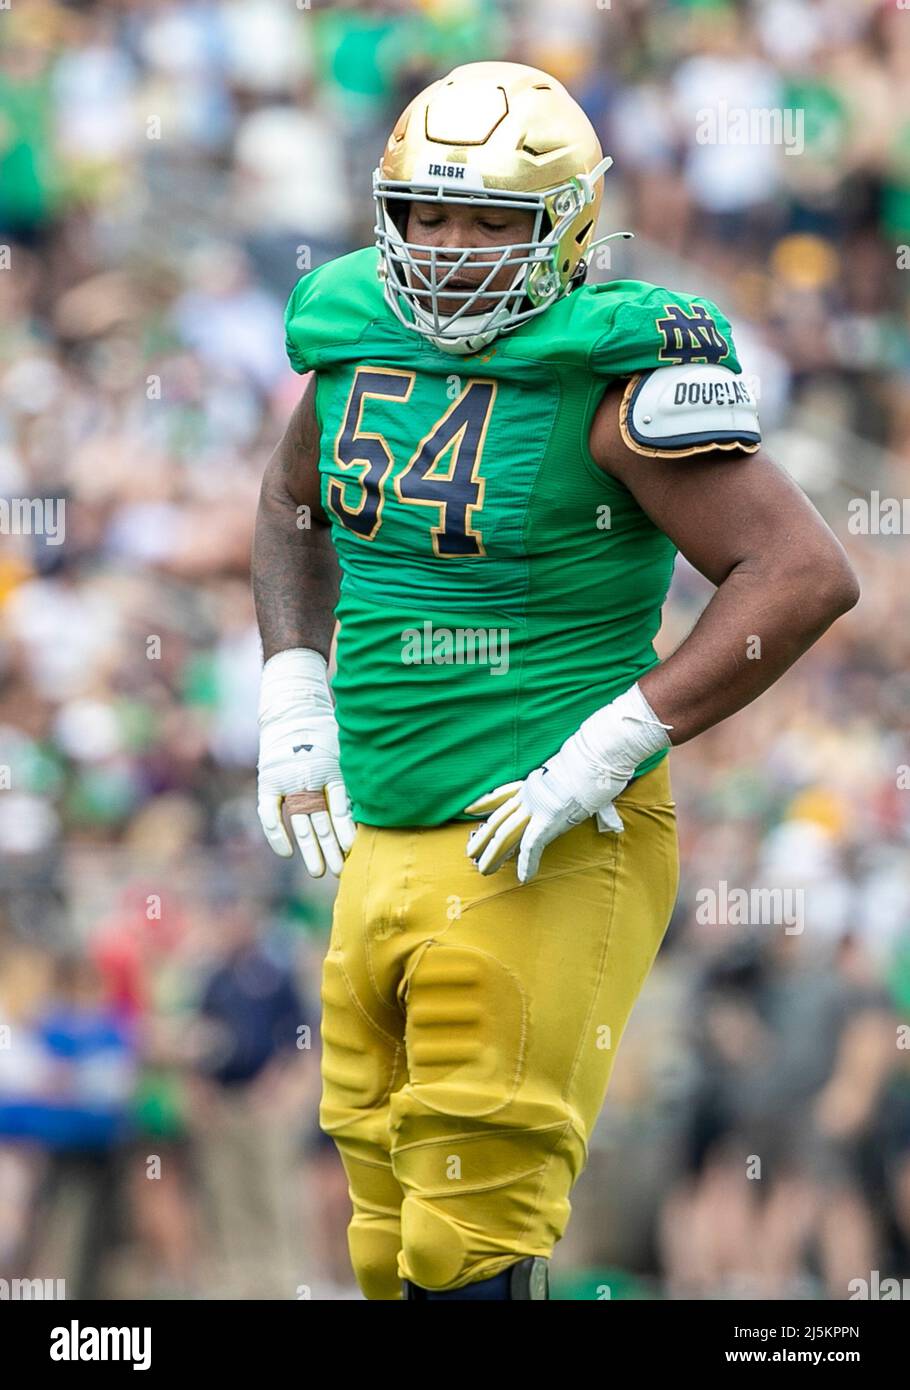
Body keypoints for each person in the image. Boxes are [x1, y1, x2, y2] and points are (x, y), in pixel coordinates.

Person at [251, 61, 859, 1301]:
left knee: (466, 1229)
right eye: (429, 215)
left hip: (548, 822)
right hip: (386, 816)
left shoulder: (615, 367)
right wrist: (292, 687)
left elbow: (799, 573)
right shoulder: (352, 327)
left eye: (491, 222)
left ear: (569, 227)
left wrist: (620, 737)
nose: (451, 250)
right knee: (380, 1223)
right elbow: (287, 502)